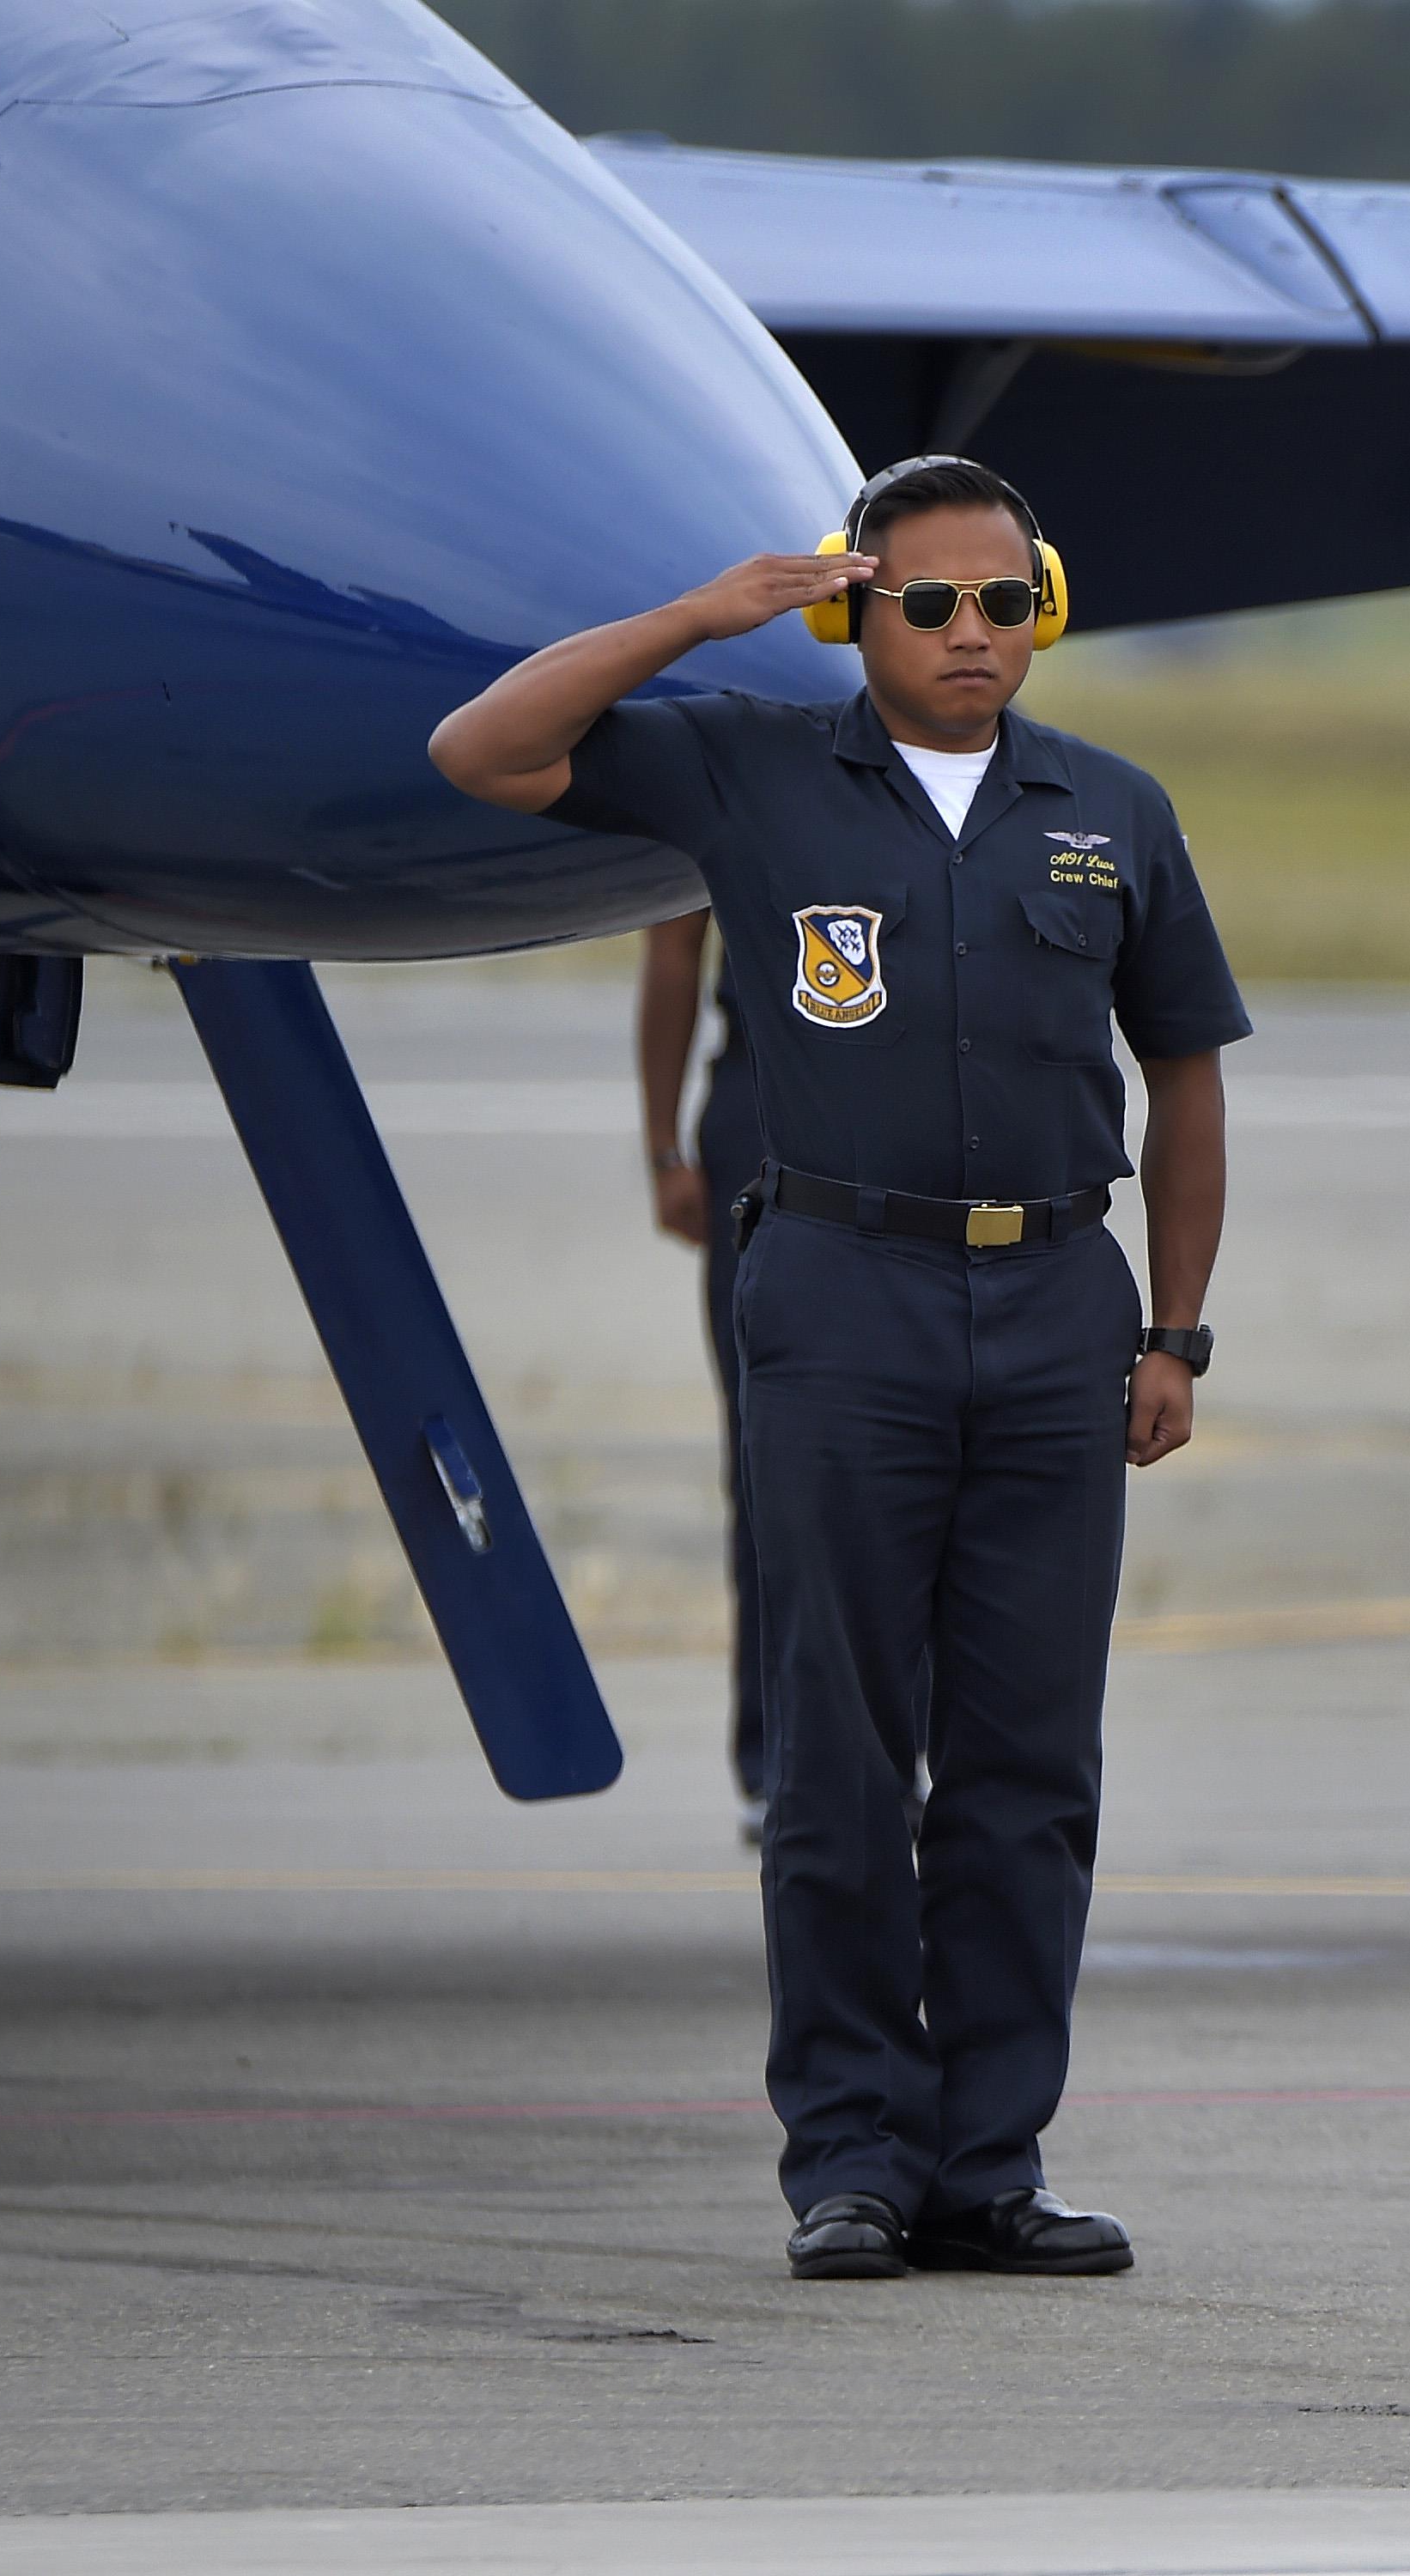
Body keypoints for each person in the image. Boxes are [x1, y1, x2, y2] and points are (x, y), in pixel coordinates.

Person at [428, 455, 1246, 2282]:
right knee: (843, 1749)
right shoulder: (750, 767)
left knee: (1030, 1757)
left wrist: (1176, 1331)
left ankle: (991, 2162)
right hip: (839, 1296)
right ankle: (855, 2157)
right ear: (851, 612)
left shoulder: (1112, 811)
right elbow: (483, 749)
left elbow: (1185, 1070)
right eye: (927, 602)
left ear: (1045, 606)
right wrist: (696, 618)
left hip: (1056, 1304)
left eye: (1005, 600)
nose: (972, 635)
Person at [635, 910, 769, 1844]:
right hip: (770, 1105)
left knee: (926, 1454)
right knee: (772, 1456)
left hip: (917, 1103)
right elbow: (672, 941)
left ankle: (908, 1748)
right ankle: (778, 1758)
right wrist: (664, 1149)